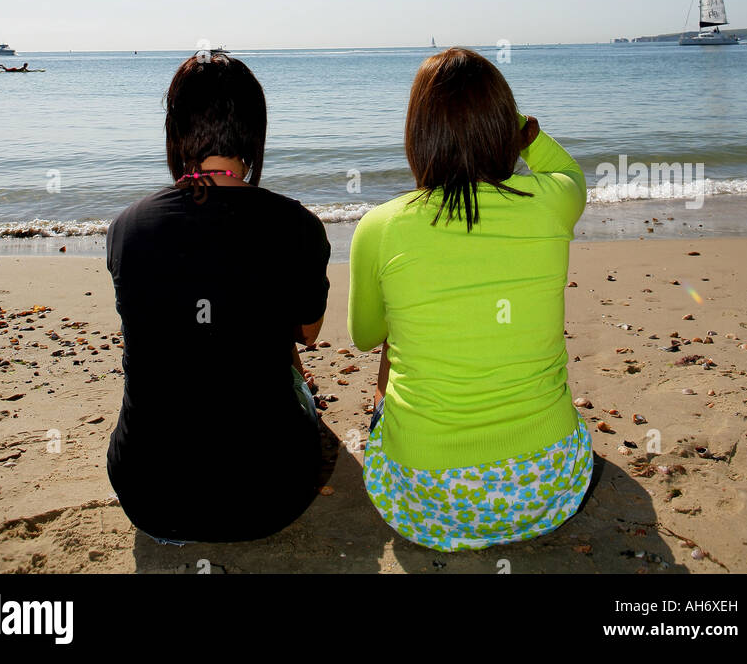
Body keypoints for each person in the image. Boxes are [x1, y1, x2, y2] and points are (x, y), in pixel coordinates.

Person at [348, 46, 592, 551]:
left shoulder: (382, 226)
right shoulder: (551, 204)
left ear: (417, 134)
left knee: (397, 343)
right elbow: (570, 172)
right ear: (507, 129)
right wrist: (519, 127)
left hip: (426, 496)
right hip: (548, 483)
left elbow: (365, 336)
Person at [106, 52, 330, 544]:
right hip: (271, 498)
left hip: (149, 495)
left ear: (177, 132)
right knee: (294, 382)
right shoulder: (297, 226)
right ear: (254, 131)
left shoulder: (127, 228)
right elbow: (308, 333)